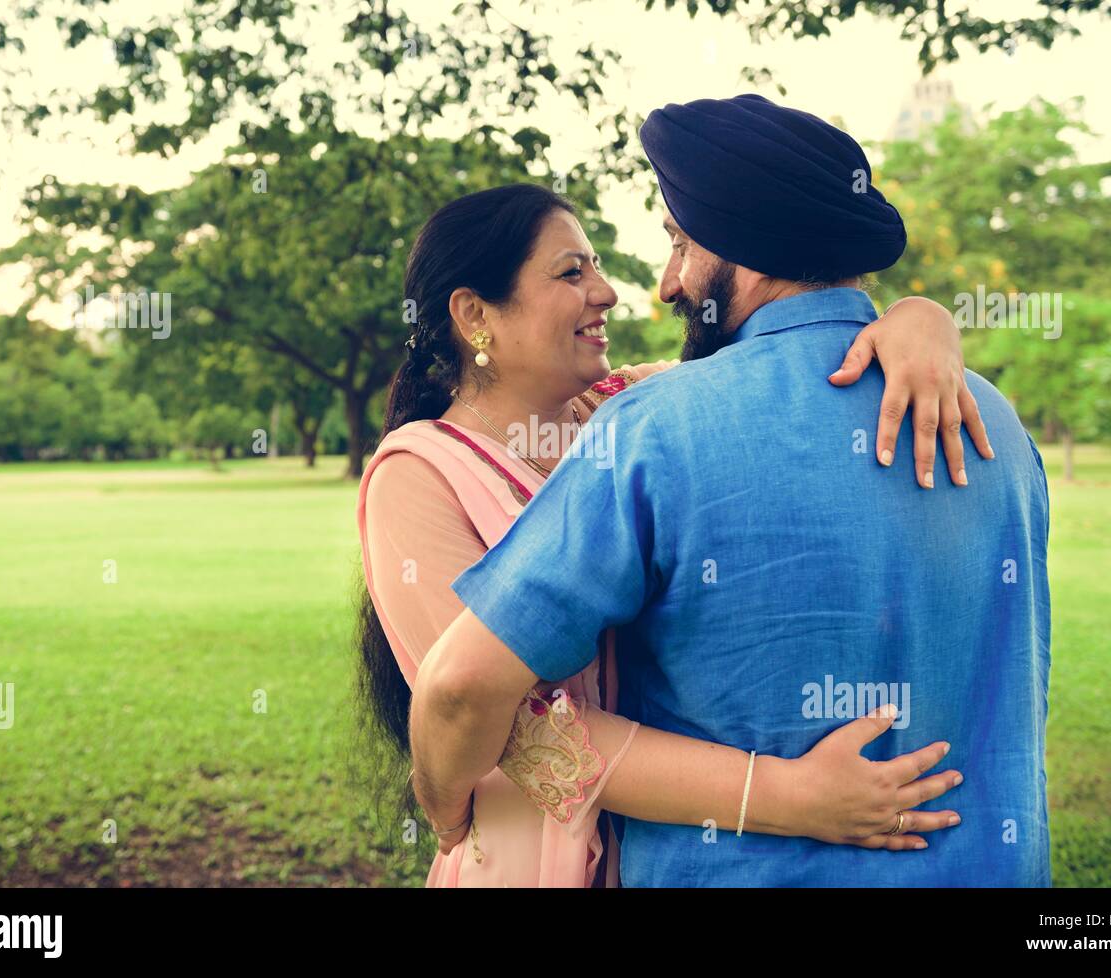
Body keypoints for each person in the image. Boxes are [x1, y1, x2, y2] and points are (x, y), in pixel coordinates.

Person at [408, 96, 1051, 887]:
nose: (669, 284)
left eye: (680, 244)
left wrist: (442, 807)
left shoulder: (656, 430)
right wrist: (920, 314)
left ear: (743, 251)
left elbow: (462, 687)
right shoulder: (995, 424)